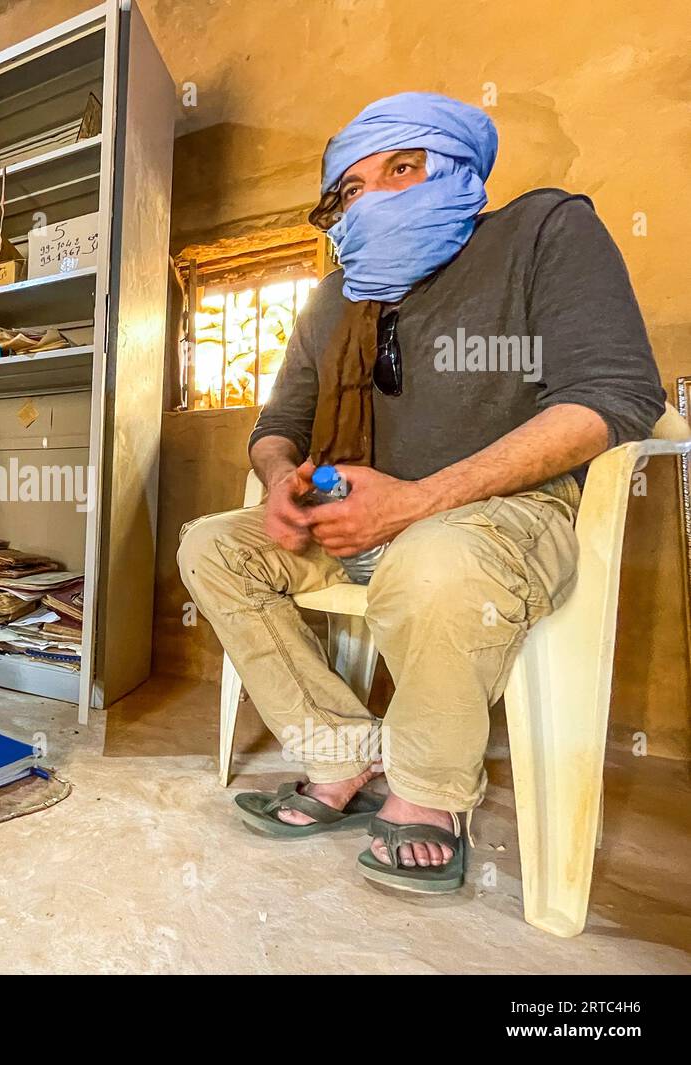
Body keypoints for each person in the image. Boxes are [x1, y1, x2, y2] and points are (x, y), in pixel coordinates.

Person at [177, 92, 665, 893]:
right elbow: (280, 422)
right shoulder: (338, 296)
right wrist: (279, 483)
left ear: (458, 168)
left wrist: (418, 500)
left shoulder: (542, 230)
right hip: (354, 521)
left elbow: (613, 395)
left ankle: (428, 792)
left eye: (404, 168)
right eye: (356, 187)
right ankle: (342, 752)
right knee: (212, 546)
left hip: (505, 517)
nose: (381, 195)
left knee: (434, 557)